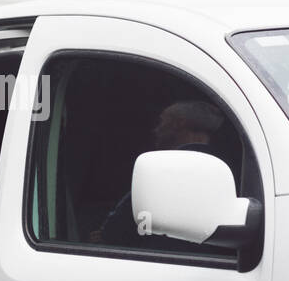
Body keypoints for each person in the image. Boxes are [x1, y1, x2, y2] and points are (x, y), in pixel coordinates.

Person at [91, 100, 233, 247]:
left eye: (161, 122)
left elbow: (113, 234)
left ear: (179, 124)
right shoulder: (227, 169)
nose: (156, 130)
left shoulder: (166, 170)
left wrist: (105, 235)